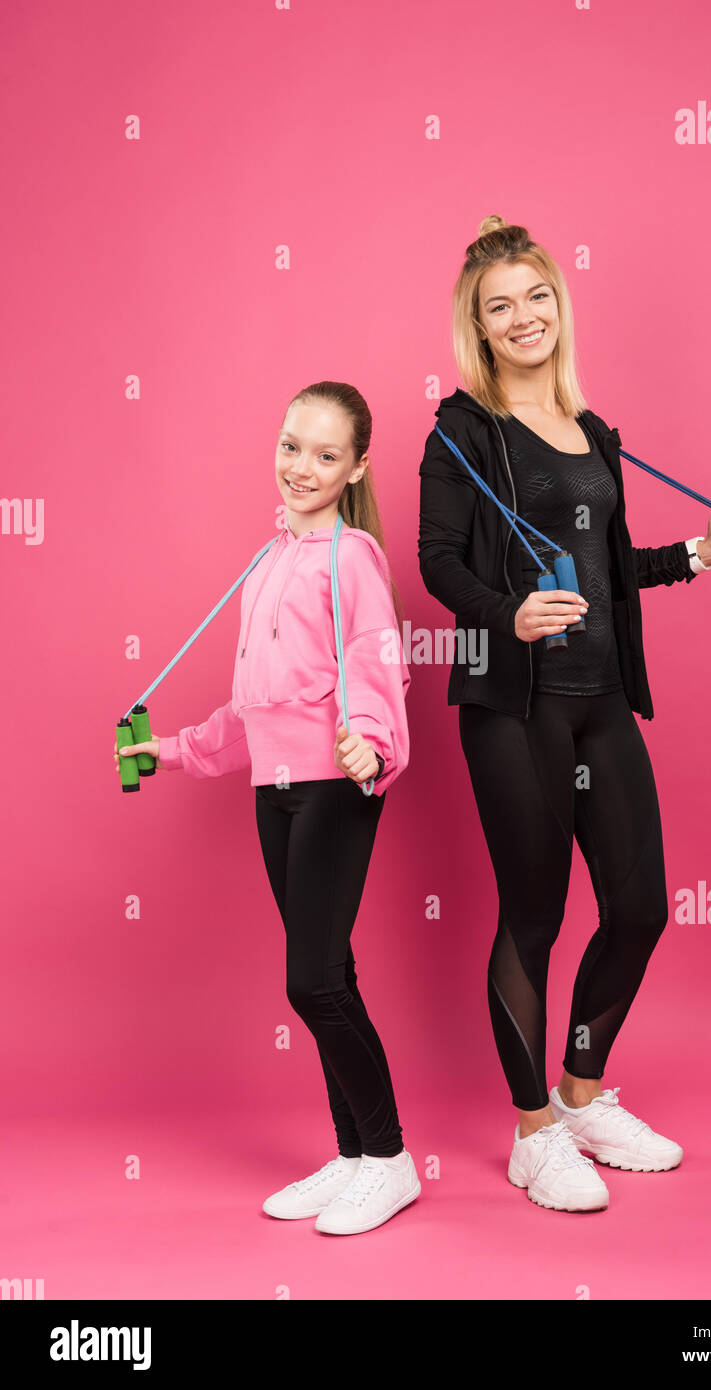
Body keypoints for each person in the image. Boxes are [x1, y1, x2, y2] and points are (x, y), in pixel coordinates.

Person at [418, 216, 711, 1213]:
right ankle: (530, 1137)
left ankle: (578, 1096)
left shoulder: (594, 433)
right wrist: (506, 613)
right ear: (477, 327)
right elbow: (440, 564)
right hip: (515, 709)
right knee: (535, 918)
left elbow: (611, 572)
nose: (524, 317)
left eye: (537, 296)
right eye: (500, 305)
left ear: (561, 306)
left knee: (640, 907)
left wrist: (697, 555)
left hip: (603, 705)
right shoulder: (462, 433)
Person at [114, 381, 418, 1236]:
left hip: (333, 789)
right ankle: (355, 1153)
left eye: (326, 455)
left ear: (356, 466)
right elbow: (256, 708)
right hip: (272, 796)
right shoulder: (267, 559)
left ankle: (390, 1159)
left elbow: (376, 662)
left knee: (312, 982)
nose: (301, 467)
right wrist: (169, 749)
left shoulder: (350, 554)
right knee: (335, 975)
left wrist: (373, 743)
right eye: (291, 446)